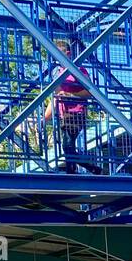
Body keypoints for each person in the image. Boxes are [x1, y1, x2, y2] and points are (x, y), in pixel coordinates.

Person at [45, 39, 93, 173]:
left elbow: (90, 92)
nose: (57, 58)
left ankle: (74, 173)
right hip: (64, 115)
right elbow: (54, 98)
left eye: (59, 54)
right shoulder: (58, 73)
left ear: (68, 53)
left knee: (67, 145)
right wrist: (44, 118)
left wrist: (70, 94)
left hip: (76, 113)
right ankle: (89, 169)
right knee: (67, 146)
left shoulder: (79, 70)